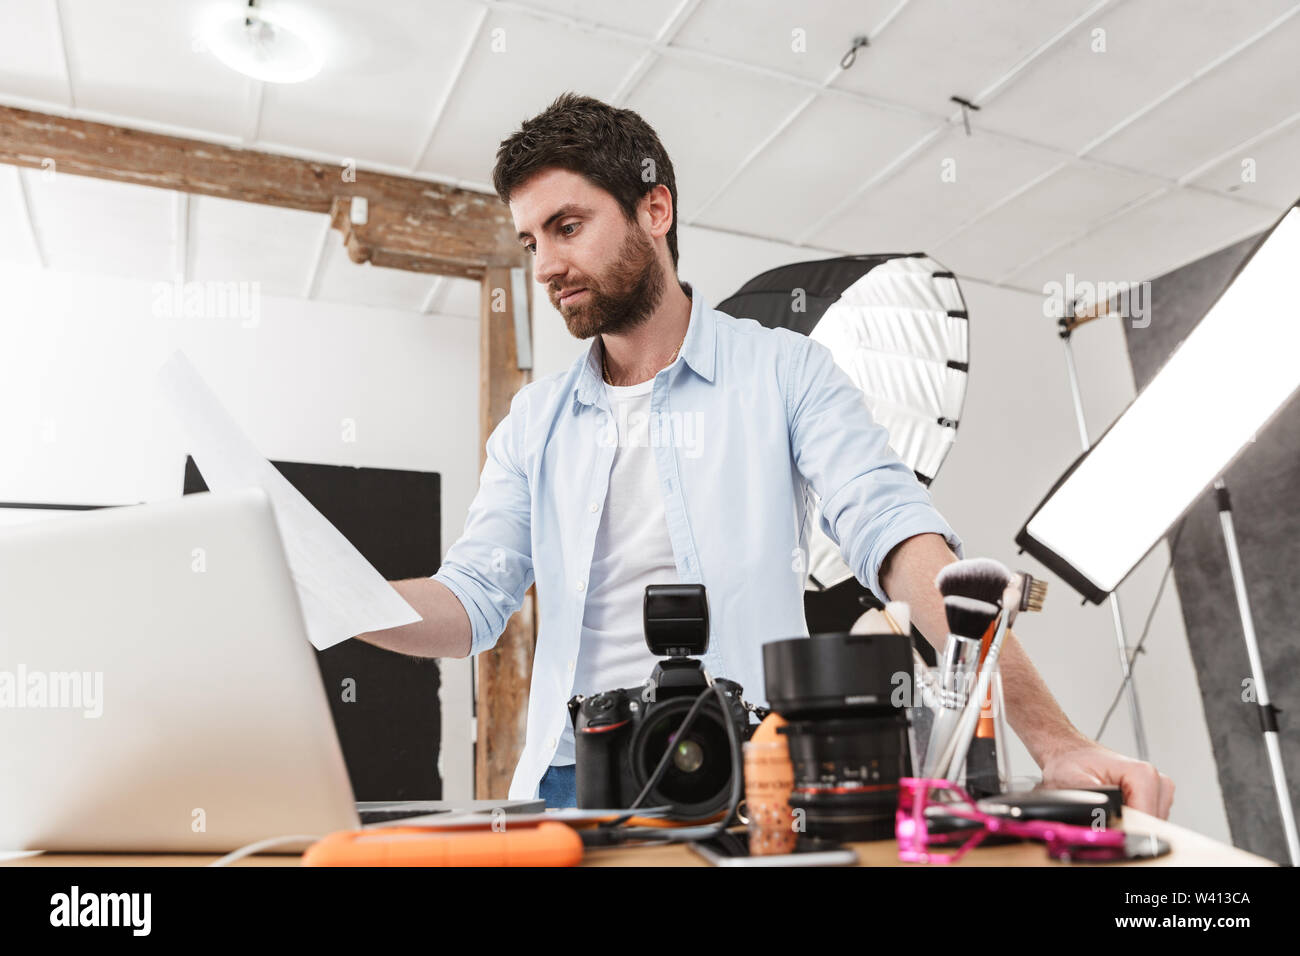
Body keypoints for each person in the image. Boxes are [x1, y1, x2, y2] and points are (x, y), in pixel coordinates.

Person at [356, 92, 1174, 819]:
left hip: (756, 772)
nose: (547, 266)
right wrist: (332, 599)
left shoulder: (786, 371)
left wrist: (1057, 742)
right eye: (531, 241)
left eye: (567, 227)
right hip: (576, 781)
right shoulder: (533, 420)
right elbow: (470, 603)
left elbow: (897, 538)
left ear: (654, 209)